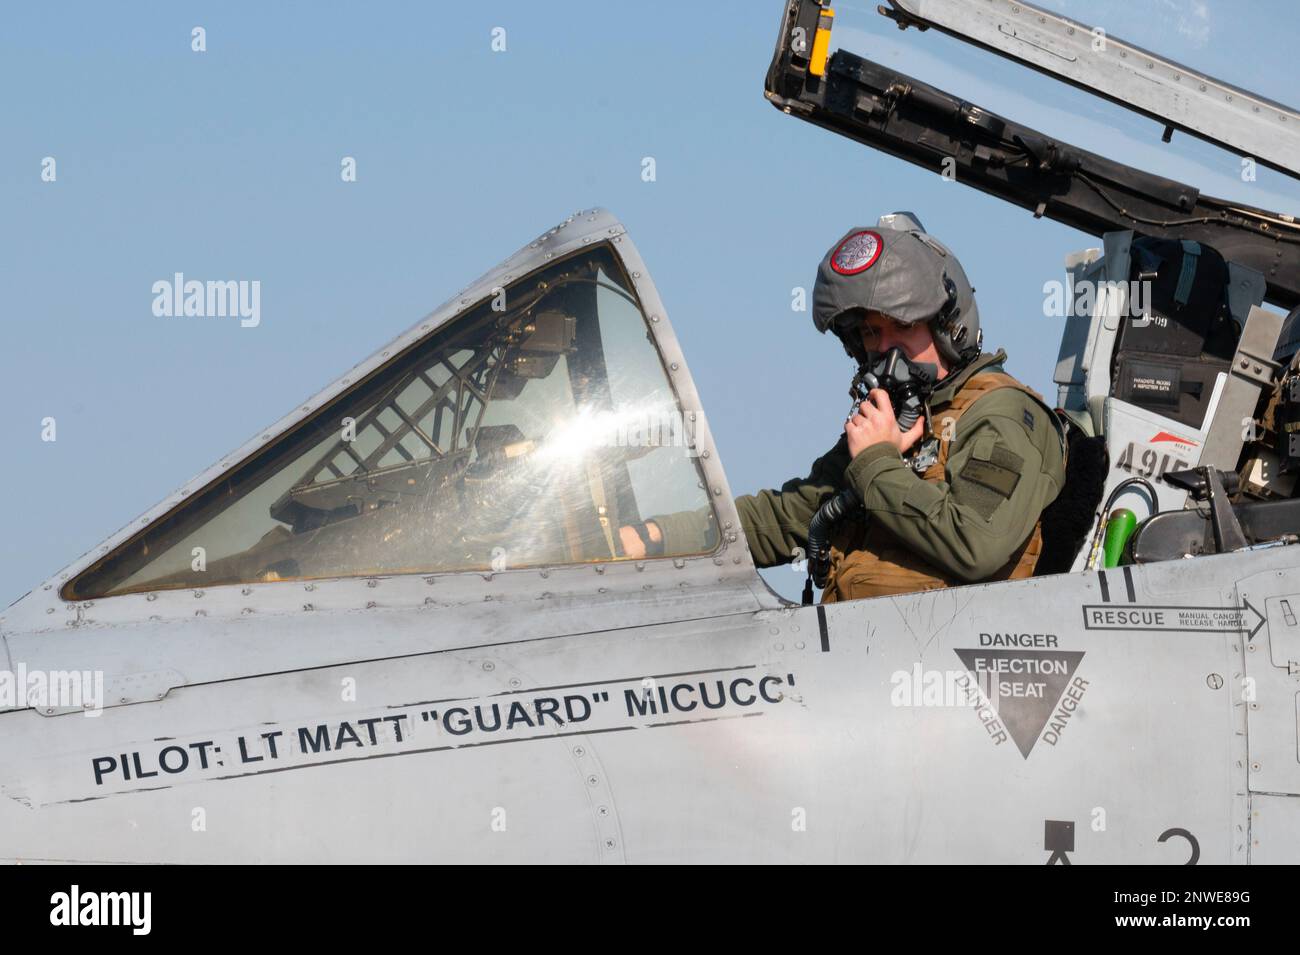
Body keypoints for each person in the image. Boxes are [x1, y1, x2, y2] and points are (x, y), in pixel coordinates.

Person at [619, 214, 1067, 602]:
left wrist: (877, 461)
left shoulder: (1004, 415)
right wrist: (651, 538)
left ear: (948, 326)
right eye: (873, 334)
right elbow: (788, 517)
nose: (886, 351)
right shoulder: (888, 424)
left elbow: (975, 542)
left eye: (902, 327)